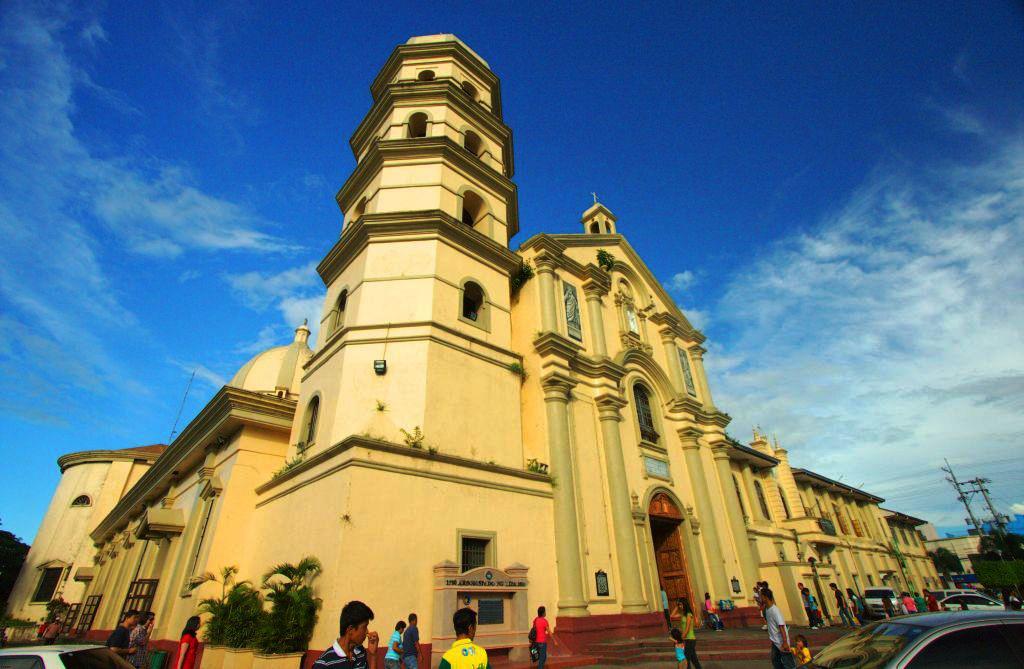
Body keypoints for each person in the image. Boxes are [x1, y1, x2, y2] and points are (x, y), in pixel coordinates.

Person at [313, 600, 380, 669]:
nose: (367, 632)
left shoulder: (360, 652)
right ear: (350, 629)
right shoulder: (323, 664)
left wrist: (373, 655)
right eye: (364, 627)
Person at [763, 588, 796, 669]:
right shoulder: (767, 609)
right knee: (775, 660)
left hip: (781, 641)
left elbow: (781, 626)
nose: (760, 598)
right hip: (775, 641)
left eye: (761, 596)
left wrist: (785, 642)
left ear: (765, 597)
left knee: (788, 664)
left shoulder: (775, 610)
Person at [669, 598, 701, 669]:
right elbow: (671, 616)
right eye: (679, 605)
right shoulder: (682, 614)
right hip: (686, 639)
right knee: (694, 659)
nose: (680, 606)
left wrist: (682, 637)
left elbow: (688, 627)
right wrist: (677, 606)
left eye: (681, 604)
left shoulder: (689, 615)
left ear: (684, 604)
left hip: (690, 639)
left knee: (687, 659)